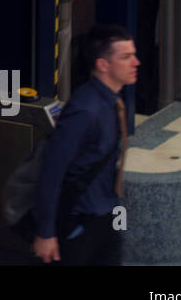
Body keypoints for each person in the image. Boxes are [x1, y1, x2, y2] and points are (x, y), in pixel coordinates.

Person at [32, 24, 138, 266]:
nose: (136, 62)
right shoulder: (84, 110)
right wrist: (46, 232)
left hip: (105, 213)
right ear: (103, 65)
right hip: (79, 221)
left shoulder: (111, 102)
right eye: (126, 57)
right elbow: (52, 171)